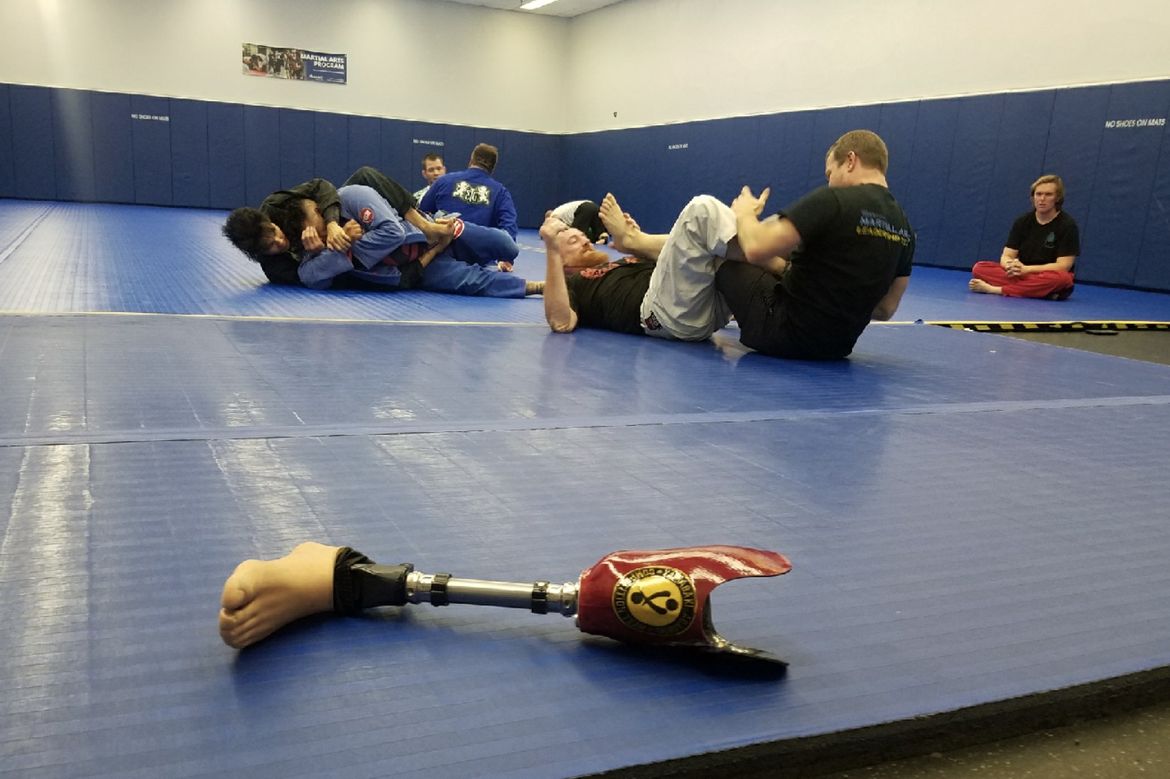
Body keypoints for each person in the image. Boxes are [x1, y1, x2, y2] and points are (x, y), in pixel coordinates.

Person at [717, 129, 914, 360]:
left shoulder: (835, 201)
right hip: (837, 348)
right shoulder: (905, 228)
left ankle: (677, 324)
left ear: (850, 160)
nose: (829, 182)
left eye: (830, 173)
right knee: (777, 262)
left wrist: (744, 214)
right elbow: (886, 309)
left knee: (721, 254)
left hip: (781, 334)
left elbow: (755, 247)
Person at [223, 166, 519, 283]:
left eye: (274, 234)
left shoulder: (275, 206)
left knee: (365, 176)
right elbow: (316, 278)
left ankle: (425, 225)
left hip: (341, 216)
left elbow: (321, 186)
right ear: (259, 253)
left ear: (271, 222)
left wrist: (332, 223)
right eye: (271, 247)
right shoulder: (275, 267)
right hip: (371, 261)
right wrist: (317, 251)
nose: (278, 242)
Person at [279, 184, 542, 297]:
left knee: (508, 247)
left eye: (325, 227)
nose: (330, 238)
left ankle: (477, 250)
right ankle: (536, 287)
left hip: (437, 231)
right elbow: (314, 280)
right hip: (421, 264)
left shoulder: (352, 196)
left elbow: (393, 233)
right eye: (323, 237)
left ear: (319, 208)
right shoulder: (318, 250)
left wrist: (347, 247)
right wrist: (316, 253)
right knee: (473, 282)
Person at [541, 192, 733, 341]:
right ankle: (634, 240)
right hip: (661, 316)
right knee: (701, 210)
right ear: (562, 263)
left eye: (584, 237)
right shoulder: (574, 284)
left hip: (706, 304)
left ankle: (637, 240)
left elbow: (675, 265)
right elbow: (561, 323)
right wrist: (552, 249)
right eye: (574, 241)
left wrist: (640, 250)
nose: (585, 242)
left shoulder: (619, 264)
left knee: (717, 244)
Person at [219, 542, 400, 649]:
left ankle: (315, 572)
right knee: (358, 581)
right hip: (342, 573)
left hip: (341, 575)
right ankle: (315, 572)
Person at [969, 175, 1079, 299]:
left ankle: (997, 289)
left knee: (1062, 279)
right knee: (980, 268)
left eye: (1048, 195)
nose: (1042, 199)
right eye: (1038, 194)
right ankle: (1039, 291)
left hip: (1046, 274)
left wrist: (1027, 269)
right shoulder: (1022, 222)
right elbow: (1007, 255)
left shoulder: (1067, 225)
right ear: (1033, 197)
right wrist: (1010, 266)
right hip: (1020, 273)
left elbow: (1063, 266)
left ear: (1057, 198)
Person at [420, 143, 518, 240]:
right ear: (492, 168)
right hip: (480, 251)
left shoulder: (444, 181)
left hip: (444, 249)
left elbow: (422, 214)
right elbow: (509, 233)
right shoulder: (500, 192)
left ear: (471, 161)